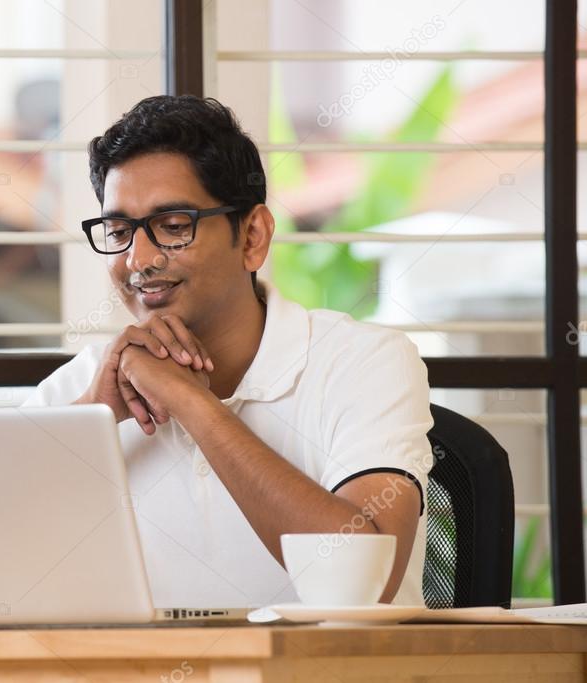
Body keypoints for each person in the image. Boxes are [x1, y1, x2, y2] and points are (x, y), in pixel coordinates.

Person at [22, 95, 433, 607]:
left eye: (173, 226)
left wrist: (193, 403)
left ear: (253, 236)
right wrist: (93, 418)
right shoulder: (80, 390)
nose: (139, 260)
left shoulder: (365, 363)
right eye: (120, 231)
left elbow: (360, 585)